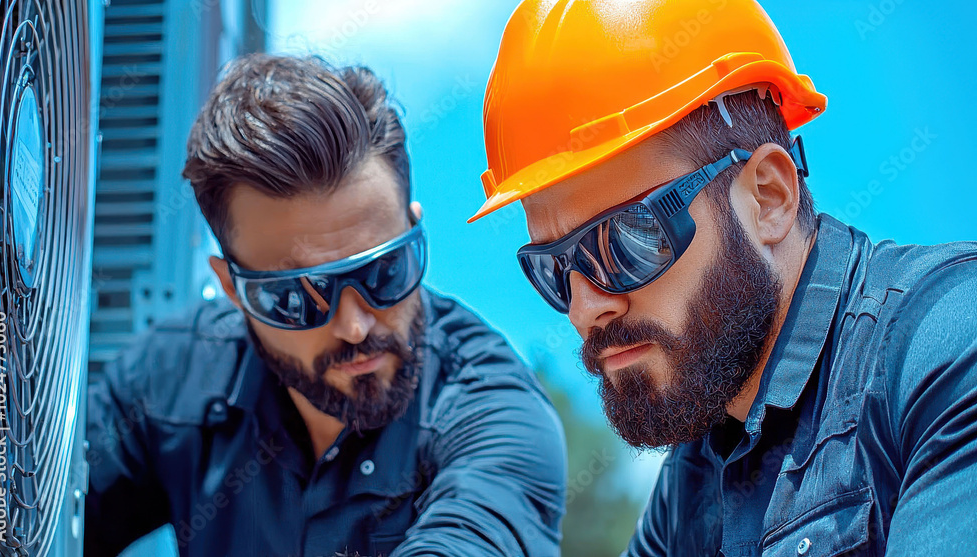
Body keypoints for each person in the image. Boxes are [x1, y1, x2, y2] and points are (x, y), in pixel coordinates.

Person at [470, 0, 977, 555]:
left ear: (768, 197)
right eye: (555, 267)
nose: (584, 308)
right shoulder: (693, 481)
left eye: (629, 238)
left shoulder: (947, 348)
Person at [85, 53, 566, 557]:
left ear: (412, 227)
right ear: (233, 290)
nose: (356, 326)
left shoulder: (495, 419)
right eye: (296, 298)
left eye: (384, 271)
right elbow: (17, 518)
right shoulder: (171, 379)